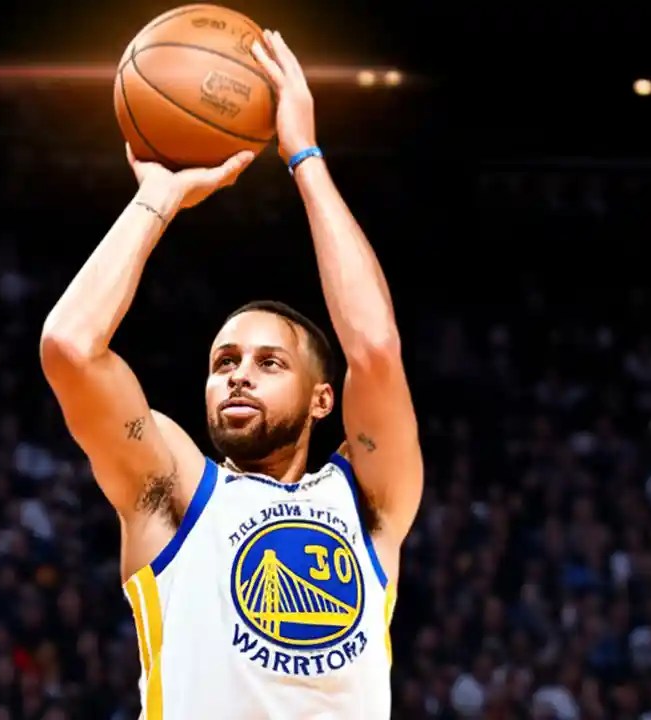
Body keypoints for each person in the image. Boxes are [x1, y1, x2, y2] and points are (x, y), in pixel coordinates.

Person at [39, 30, 422, 719]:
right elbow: (70, 346)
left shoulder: (367, 501)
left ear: (321, 399)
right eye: (224, 362)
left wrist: (302, 155)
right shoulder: (176, 490)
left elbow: (375, 349)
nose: (238, 376)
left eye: (269, 362)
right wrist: (157, 198)